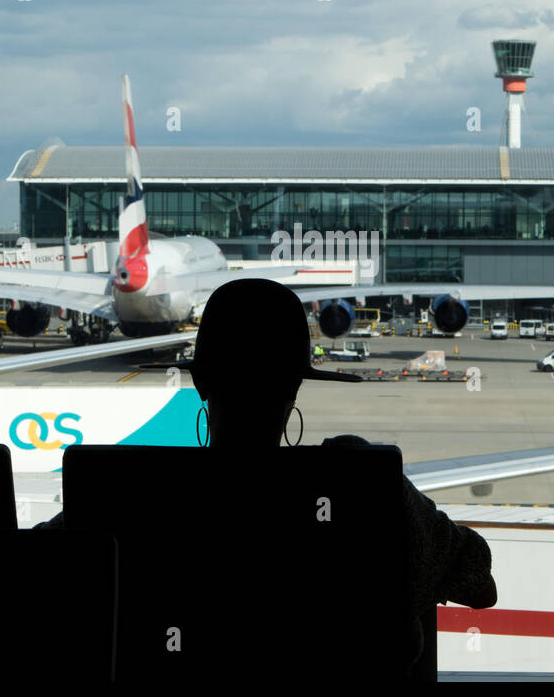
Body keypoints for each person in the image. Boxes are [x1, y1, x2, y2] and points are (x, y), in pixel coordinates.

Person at [184, 278, 496, 664]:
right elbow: (483, 589)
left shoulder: (148, 490)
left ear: (200, 382)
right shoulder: (357, 479)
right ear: (295, 387)